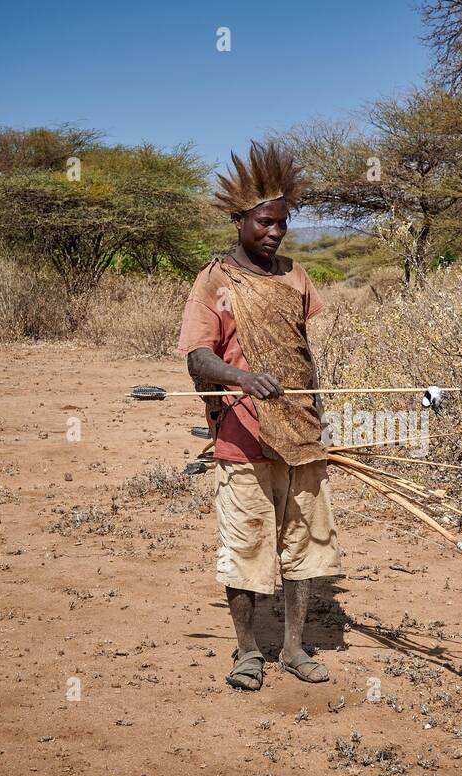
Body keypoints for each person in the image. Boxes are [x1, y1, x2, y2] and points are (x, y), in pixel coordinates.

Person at [177, 141, 341, 692]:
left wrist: (321, 411)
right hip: (243, 434)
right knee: (245, 546)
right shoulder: (215, 281)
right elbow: (198, 355)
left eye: (282, 224)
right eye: (264, 222)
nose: (274, 233)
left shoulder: (296, 276)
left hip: (300, 433)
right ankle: (247, 653)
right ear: (239, 220)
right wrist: (243, 379)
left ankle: (294, 649)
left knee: (304, 544)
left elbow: (305, 350)